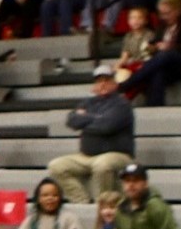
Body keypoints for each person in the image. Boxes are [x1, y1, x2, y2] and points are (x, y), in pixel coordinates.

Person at [48, 66, 135, 203]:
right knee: (56, 165)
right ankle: (82, 202)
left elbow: (107, 126)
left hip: (118, 155)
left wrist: (86, 118)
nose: (103, 84)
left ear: (114, 83)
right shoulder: (88, 102)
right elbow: (72, 121)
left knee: (102, 165)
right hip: (86, 156)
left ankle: (103, 205)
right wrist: (96, 118)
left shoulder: (121, 104)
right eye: (99, 81)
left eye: (107, 80)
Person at [119, 0, 181, 108]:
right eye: (161, 13)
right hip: (167, 65)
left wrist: (172, 46)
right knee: (158, 73)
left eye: (167, 13)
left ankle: (129, 83)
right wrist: (152, 47)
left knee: (166, 55)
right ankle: (154, 109)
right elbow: (156, 41)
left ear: (178, 11)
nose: (164, 16)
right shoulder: (163, 23)